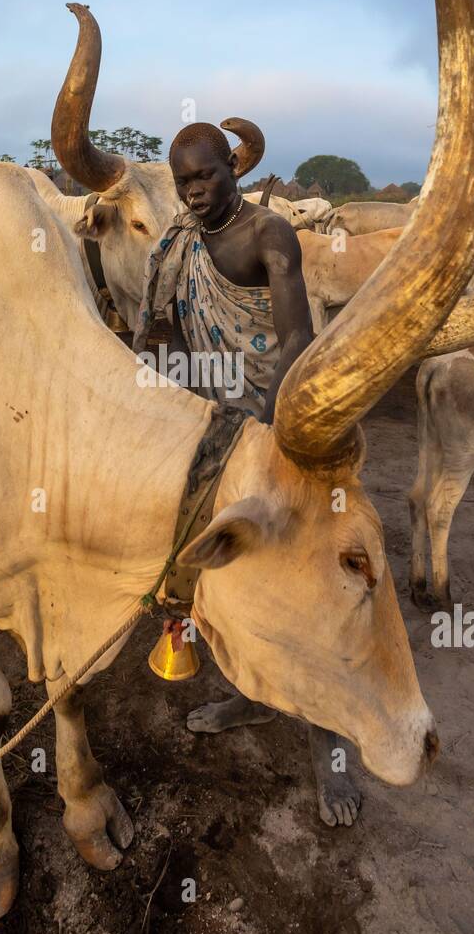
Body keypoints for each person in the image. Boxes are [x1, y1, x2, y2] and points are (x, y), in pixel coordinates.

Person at [133, 121, 362, 827]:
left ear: (233, 166)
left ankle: (330, 743)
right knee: (222, 567)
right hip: (211, 421)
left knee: (305, 574)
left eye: (204, 177)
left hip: (278, 419)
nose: (194, 192)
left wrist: (270, 433)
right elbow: (163, 334)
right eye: (182, 183)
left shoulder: (269, 236)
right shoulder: (178, 242)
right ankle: (250, 694)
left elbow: (296, 339)